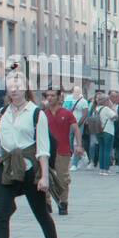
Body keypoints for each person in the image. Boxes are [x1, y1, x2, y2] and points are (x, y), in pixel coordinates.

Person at [0, 71, 62, 238]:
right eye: (11, 85)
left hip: (30, 169)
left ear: (25, 88)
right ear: (7, 90)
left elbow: (43, 149)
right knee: (1, 214)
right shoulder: (0, 113)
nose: (14, 89)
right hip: (8, 169)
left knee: (40, 213)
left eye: (18, 85)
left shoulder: (36, 113)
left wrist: (44, 177)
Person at [42, 88, 82, 216]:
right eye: (47, 95)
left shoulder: (67, 113)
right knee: (44, 177)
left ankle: (63, 202)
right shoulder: (42, 113)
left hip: (62, 150)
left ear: (59, 97)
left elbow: (76, 130)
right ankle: (46, 203)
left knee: (62, 179)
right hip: (45, 151)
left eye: (53, 95)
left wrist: (79, 145)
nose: (50, 98)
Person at [65, 87, 89, 171]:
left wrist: (79, 123)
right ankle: (81, 154)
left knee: (76, 143)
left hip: (78, 124)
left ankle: (74, 163)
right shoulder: (68, 98)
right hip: (69, 123)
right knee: (69, 141)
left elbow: (85, 113)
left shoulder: (83, 101)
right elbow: (65, 109)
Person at [94, 94, 118, 176]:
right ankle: (106, 169)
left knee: (101, 149)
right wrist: (112, 107)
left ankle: (101, 169)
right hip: (108, 131)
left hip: (98, 131)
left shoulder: (96, 109)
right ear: (105, 101)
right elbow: (115, 116)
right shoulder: (106, 109)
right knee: (107, 150)